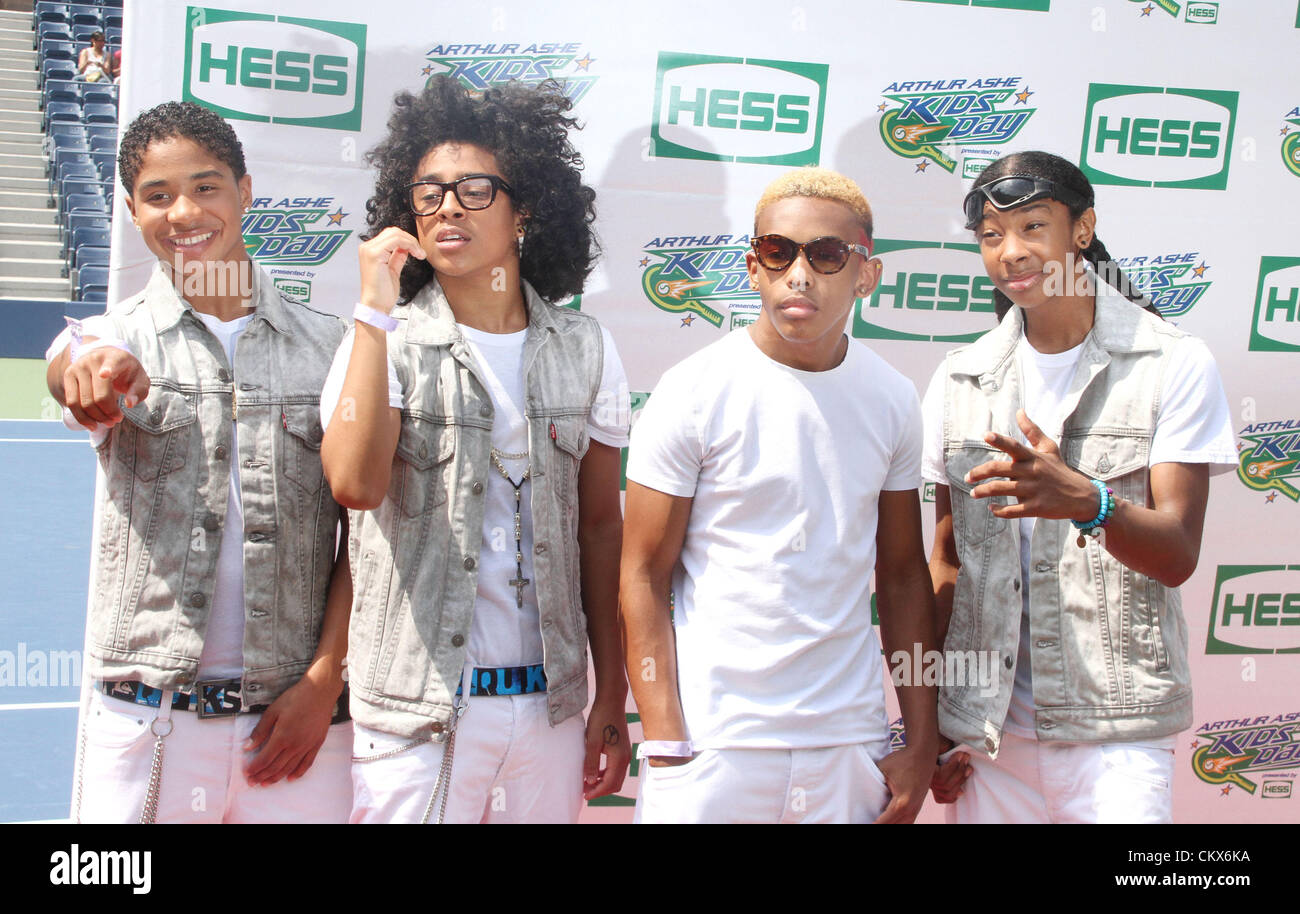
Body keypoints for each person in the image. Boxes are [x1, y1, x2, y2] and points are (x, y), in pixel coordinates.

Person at [319, 75, 631, 824]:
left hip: (549, 710)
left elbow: (600, 530)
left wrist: (611, 698)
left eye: (474, 188)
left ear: (525, 210)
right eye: (428, 193)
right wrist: (374, 309)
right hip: (417, 712)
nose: (447, 206)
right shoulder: (380, 343)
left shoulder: (586, 349)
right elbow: (355, 488)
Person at [45, 101, 353, 823]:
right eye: (158, 196)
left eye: (206, 187)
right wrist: (84, 371)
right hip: (143, 724)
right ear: (130, 210)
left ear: (245, 192)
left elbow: (367, 544)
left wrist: (322, 683)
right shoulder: (109, 336)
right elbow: (70, 366)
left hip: (293, 726)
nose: (184, 212)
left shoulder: (334, 347)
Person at [923, 150, 1236, 823]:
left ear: (1083, 230)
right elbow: (949, 563)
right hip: (988, 740)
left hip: (1115, 738)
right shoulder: (960, 379)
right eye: (991, 235)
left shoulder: (1171, 363)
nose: (1011, 251)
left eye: (1033, 227)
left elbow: (1178, 553)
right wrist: (930, 726)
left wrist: (1089, 501)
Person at [621, 167, 940, 824]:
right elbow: (642, 573)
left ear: (865, 274)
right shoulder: (692, 390)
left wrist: (921, 738)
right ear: (753, 267)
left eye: (826, 254)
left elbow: (905, 576)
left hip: (847, 743)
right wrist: (664, 738)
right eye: (778, 251)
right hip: (713, 745)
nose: (800, 273)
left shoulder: (892, 398)